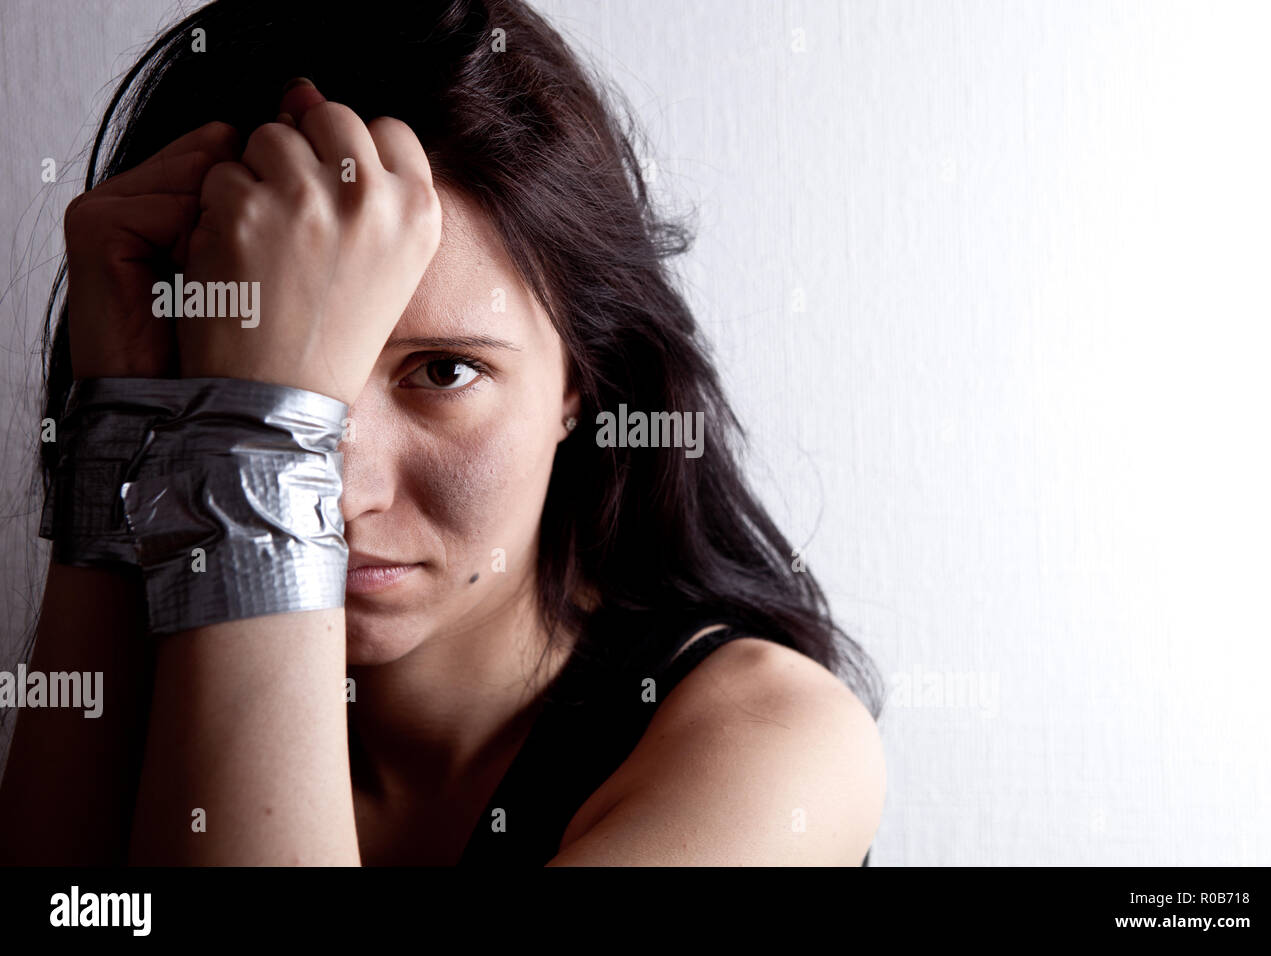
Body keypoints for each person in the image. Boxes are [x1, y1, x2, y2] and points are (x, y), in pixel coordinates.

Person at [0, 0, 885, 866]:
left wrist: (256, 442)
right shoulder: (165, 690)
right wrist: (118, 425)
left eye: (443, 371)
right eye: (246, 375)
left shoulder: (775, 748)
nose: (343, 492)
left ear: (582, 377)